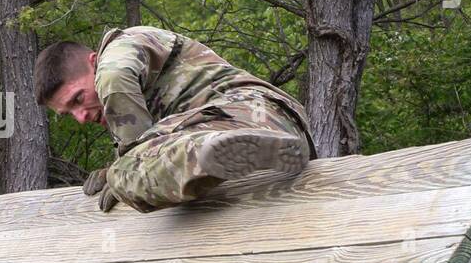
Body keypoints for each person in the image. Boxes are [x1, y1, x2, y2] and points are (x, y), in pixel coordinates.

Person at [34, 25, 316, 212]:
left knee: (126, 174)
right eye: (68, 113)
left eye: (78, 99)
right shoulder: (143, 94)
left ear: (94, 61)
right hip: (267, 130)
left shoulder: (119, 48)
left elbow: (115, 74)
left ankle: (207, 152)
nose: (81, 117)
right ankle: (228, 152)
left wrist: (127, 165)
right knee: (127, 173)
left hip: (251, 114)